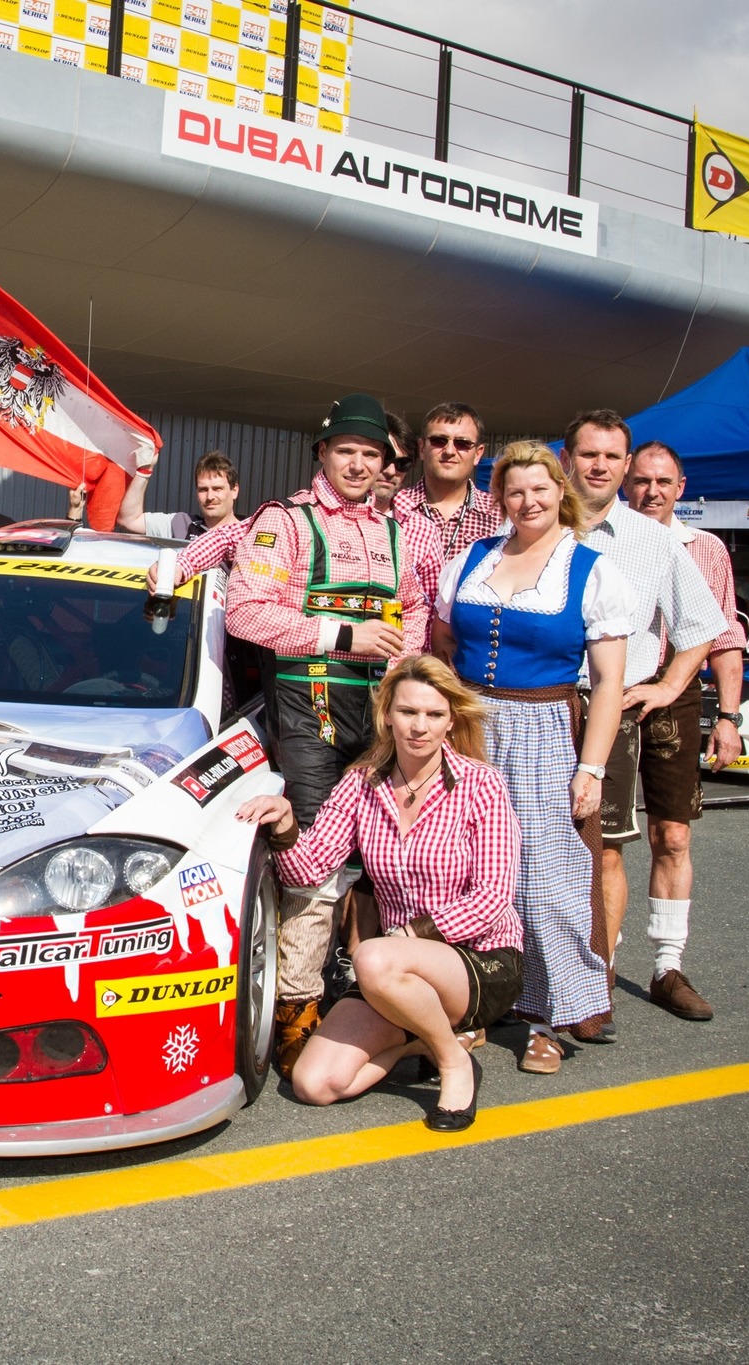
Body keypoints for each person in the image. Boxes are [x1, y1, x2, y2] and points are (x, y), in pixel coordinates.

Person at [224, 393, 429, 1080]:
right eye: (347, 450)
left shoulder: (406, 531)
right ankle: (295, 1011)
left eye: (372, 454)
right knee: (312, 868)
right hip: (308, 712)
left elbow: (419, 621)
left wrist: (406, 685)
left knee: (386, 864)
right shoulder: (284, 520)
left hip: (383, 718)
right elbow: (245, 612)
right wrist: (346, 633)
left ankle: (380, 999)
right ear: (322, 453)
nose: (359, 464)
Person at [238, 656, 523, 1129]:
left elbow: (493, 898)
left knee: (372, 956)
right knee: (316, 1084)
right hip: (393, 971)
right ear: (387, 713)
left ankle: (453, 1066)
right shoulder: (361, 783)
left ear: (452, 720)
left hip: (479, 960)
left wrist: (412, 934)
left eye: (434, 715)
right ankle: (430, 1041)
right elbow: (309, 871)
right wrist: (286, 824)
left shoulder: (481, 785)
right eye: (409, 712)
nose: (420, 727)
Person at [433, 441, 632, 1074]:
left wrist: (591, 767)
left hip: (545, 729)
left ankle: (552, 1017)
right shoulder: (470, 558)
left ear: (560, 490)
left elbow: (607, 683)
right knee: (463, 872)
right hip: (468, 727)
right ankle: (472, 1008)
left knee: (545, 880)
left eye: (540, 489)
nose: (529, 501)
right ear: (501, 497)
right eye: (515, 491)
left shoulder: (592, 569)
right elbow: (442, 645)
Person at [561, 410, 727, 1040]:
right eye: (588, 454)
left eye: (611, 456)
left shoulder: (657, 541)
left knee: (606, 851)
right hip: (546, 703)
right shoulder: (536, 525)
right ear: (568, 457)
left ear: (624, 465)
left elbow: (701, 625)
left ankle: (602, 977)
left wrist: (667, 686)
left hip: (618, 707)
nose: (599, 466)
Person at [621, 440, 747, 1022]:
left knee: (672, 835)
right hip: (615, 693)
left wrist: (728, 718)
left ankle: (668, 966)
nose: (652, 491)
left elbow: (722, 639)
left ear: (681, 487)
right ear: (626, 481)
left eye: (663, 482)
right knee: (603, 839)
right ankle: (596, 965)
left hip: (679, 695)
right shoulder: (604, 536)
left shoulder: (706, 549)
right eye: (642, 480)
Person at [395, 402, 506, 612]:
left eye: (462, 443)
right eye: (439, 440)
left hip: (466, 641)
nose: (449, 451)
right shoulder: (392, 509)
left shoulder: (500, 516)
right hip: (400, 639)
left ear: (478, 453)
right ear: (421, 448)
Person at [116, 450, 243, 539]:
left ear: (234, 491)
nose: (210, 497)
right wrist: (144, 471)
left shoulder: (250, 534)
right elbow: (129, 520)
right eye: (203, 489)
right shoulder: (181, 524)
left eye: (217, 489)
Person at [373, 412, 415, 513]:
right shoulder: (330, 520)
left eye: (402, 463)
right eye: (385, 460)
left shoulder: (423, 526)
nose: (391, 471)